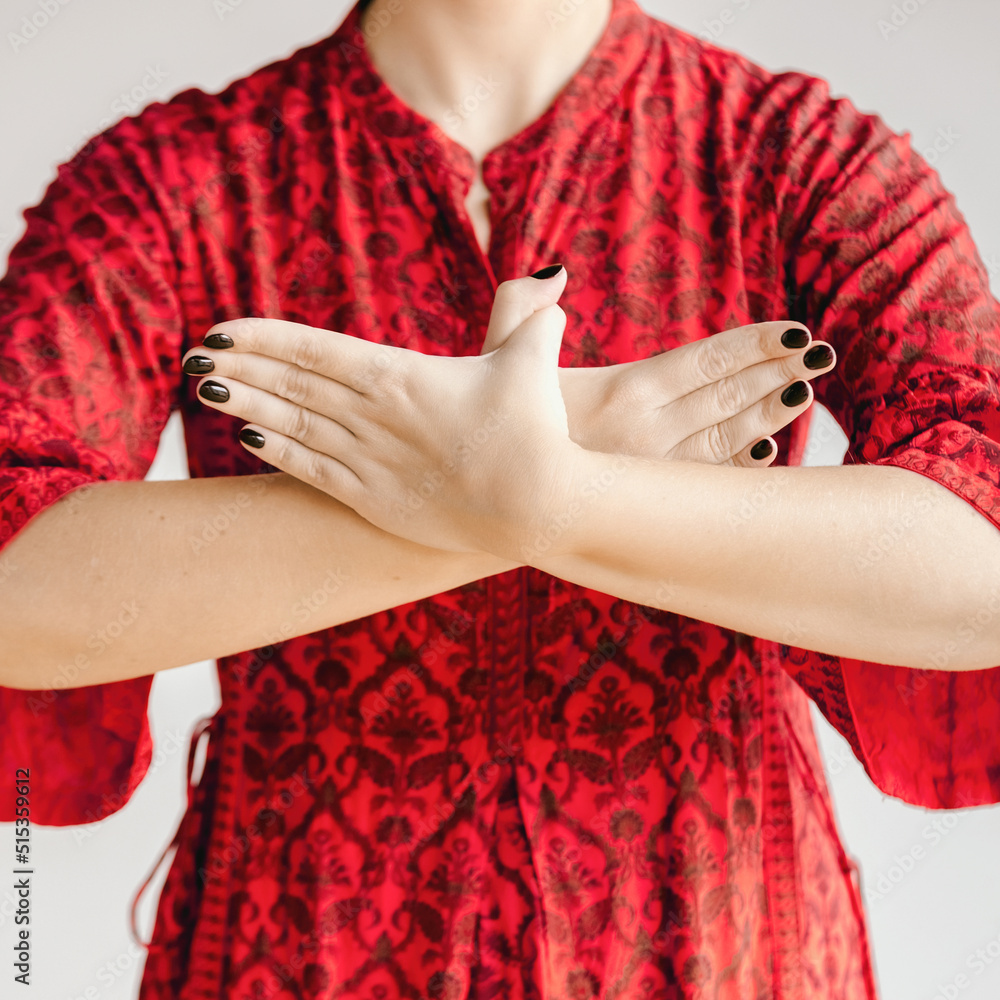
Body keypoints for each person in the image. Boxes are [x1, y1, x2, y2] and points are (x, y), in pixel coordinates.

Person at [1, 0, 999, 996]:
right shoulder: (169, 181)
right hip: (302, 942)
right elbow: (17, 587)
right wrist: (513, 485)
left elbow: (978, 557)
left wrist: (558, 492)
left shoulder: (798, 157)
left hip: (719, 936)